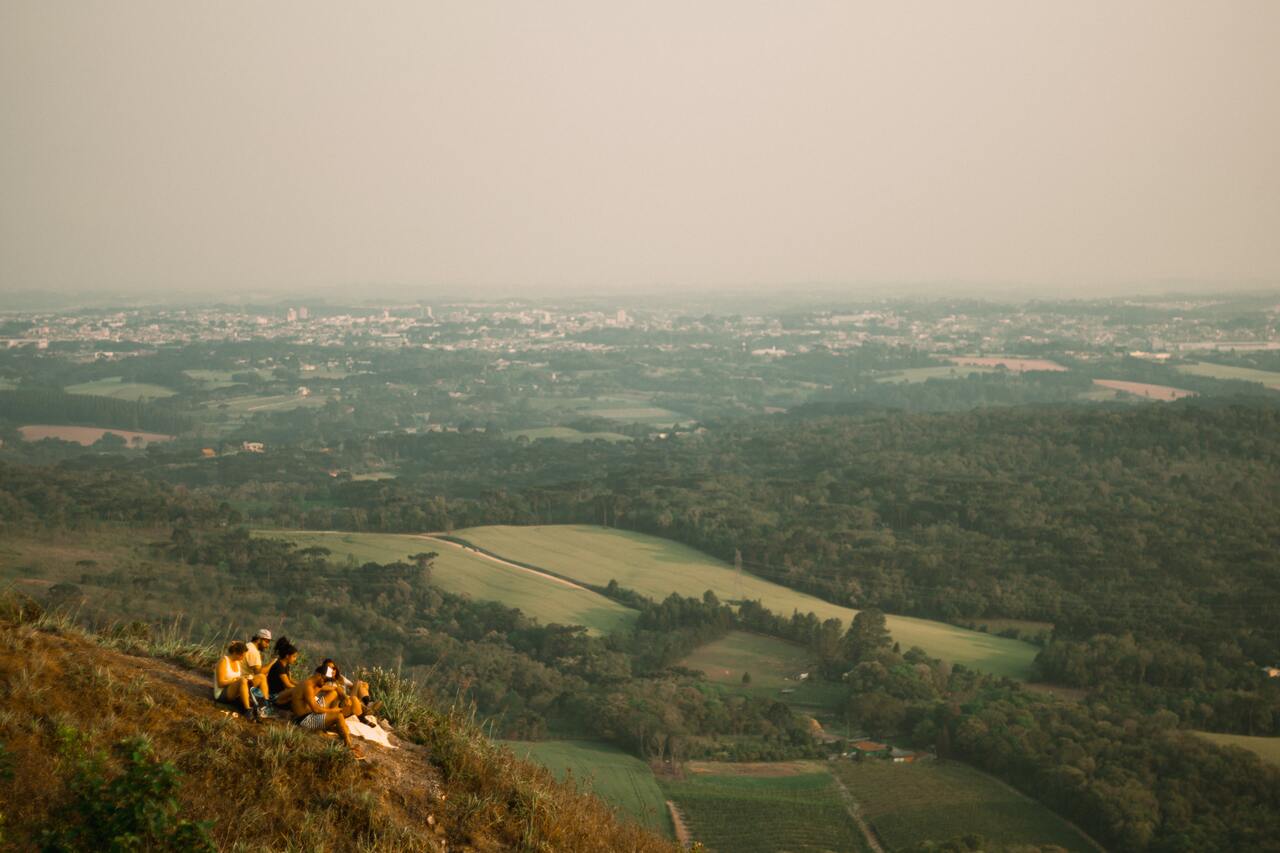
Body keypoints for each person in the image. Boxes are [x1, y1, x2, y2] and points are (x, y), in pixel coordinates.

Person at [291, 661, 364, 759]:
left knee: (333, 694)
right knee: (338, 715)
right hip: (305, 720)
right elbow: (316, 710)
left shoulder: (312, 683)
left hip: (309, 713)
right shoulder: (307, 687)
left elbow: (335, 688)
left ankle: (337, 727)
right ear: (319, 675)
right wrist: (334, 710)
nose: (325, 682)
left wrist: (345, 697)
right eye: (325, 680)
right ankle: (349, 746)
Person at [212, 641, 262, 722]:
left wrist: (244, 679)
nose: (243, 657)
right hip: (222, 693)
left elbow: (238, 678)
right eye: (242, 655)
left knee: (259, 677)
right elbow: (220, 683)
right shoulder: (224, 661)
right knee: (242, 680)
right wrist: (235, 680)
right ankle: (248, 710)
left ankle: (259, 706)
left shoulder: (237, 662)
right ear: (235, 653)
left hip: (233, 690)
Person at [265, 637, 299, 707]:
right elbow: (287, 684)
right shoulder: (279, 665)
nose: (295, 659)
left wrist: (303, 684)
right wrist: (300, 689)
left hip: (280, 693)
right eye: (294, 656)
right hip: (273, 695)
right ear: (287, 656)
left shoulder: (286, 665)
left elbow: (290, 680)